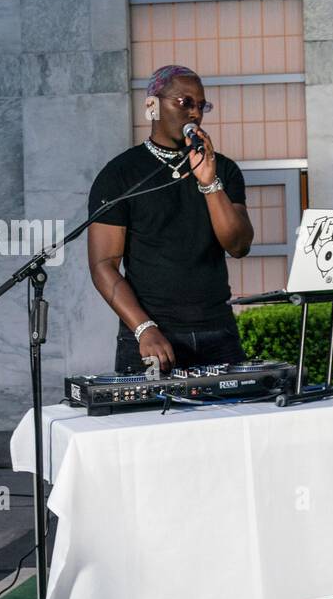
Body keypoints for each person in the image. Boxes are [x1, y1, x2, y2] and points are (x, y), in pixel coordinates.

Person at [87, 64, 255, 374]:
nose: (195, 113)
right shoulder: (120, 175)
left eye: (200, 105)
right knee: (148, 421)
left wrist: (209, 182)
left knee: (227, 420)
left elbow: (239, 244)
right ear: (152, 105)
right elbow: (103, 265)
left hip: (218, 333)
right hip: (152, 337)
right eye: (184, 102)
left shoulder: (224, 170)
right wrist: (143, 328)